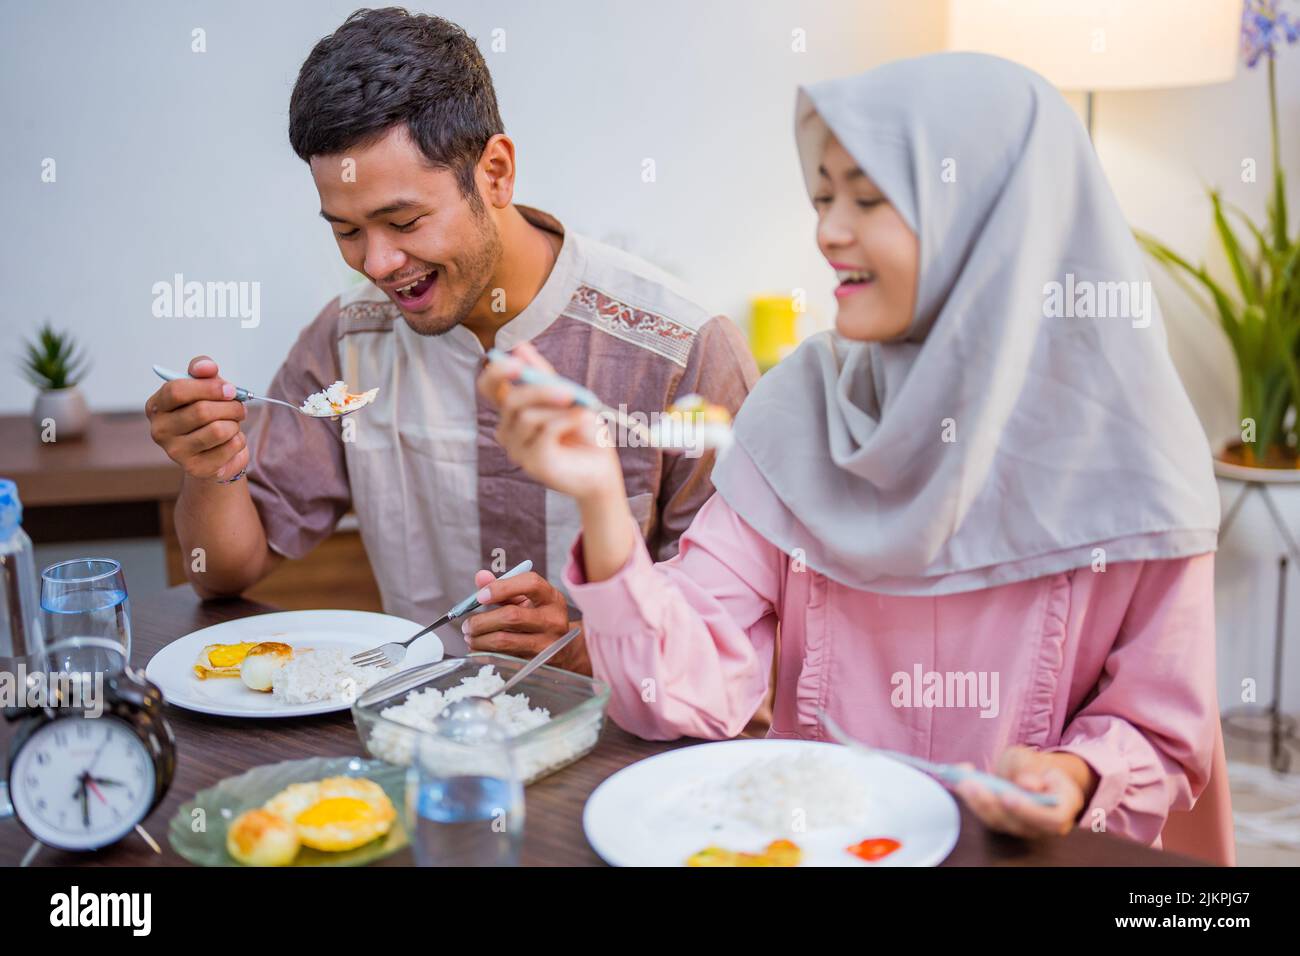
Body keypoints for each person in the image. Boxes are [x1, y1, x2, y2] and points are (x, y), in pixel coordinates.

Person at [479, 52, 1228, 848]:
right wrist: (600, 501)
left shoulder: (1137, 452)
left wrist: (1076, 776)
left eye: (868, 200)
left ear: (988, 218)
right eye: (825, 195)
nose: (828, 230)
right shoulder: (796, 409)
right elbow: (675, 693)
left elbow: (1161, 732)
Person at [142, 8, 756, 671]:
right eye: (346, 231)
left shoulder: (680, 351)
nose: (376, 264)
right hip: (419, 741)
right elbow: (224, 573)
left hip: (627, 756)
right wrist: (212, 468)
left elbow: (736, 645)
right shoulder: (349, 340)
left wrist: (584, 645)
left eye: (402, 220)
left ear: (494, 173)